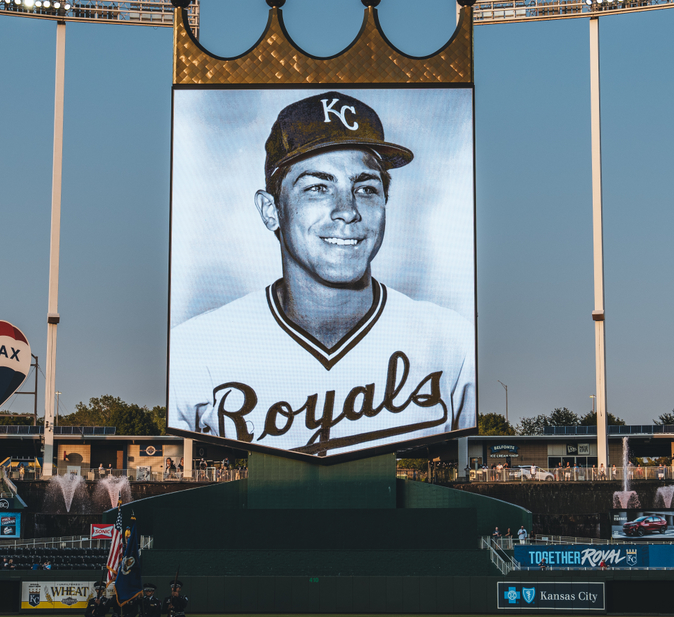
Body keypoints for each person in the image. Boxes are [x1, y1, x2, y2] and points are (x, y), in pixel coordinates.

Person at [169, 92, 476, 456]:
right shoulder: (193, 350)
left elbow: (467, 470)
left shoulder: (455, 344)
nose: (347, 210)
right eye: (318, 188)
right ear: (271, 210)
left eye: (366, 189)